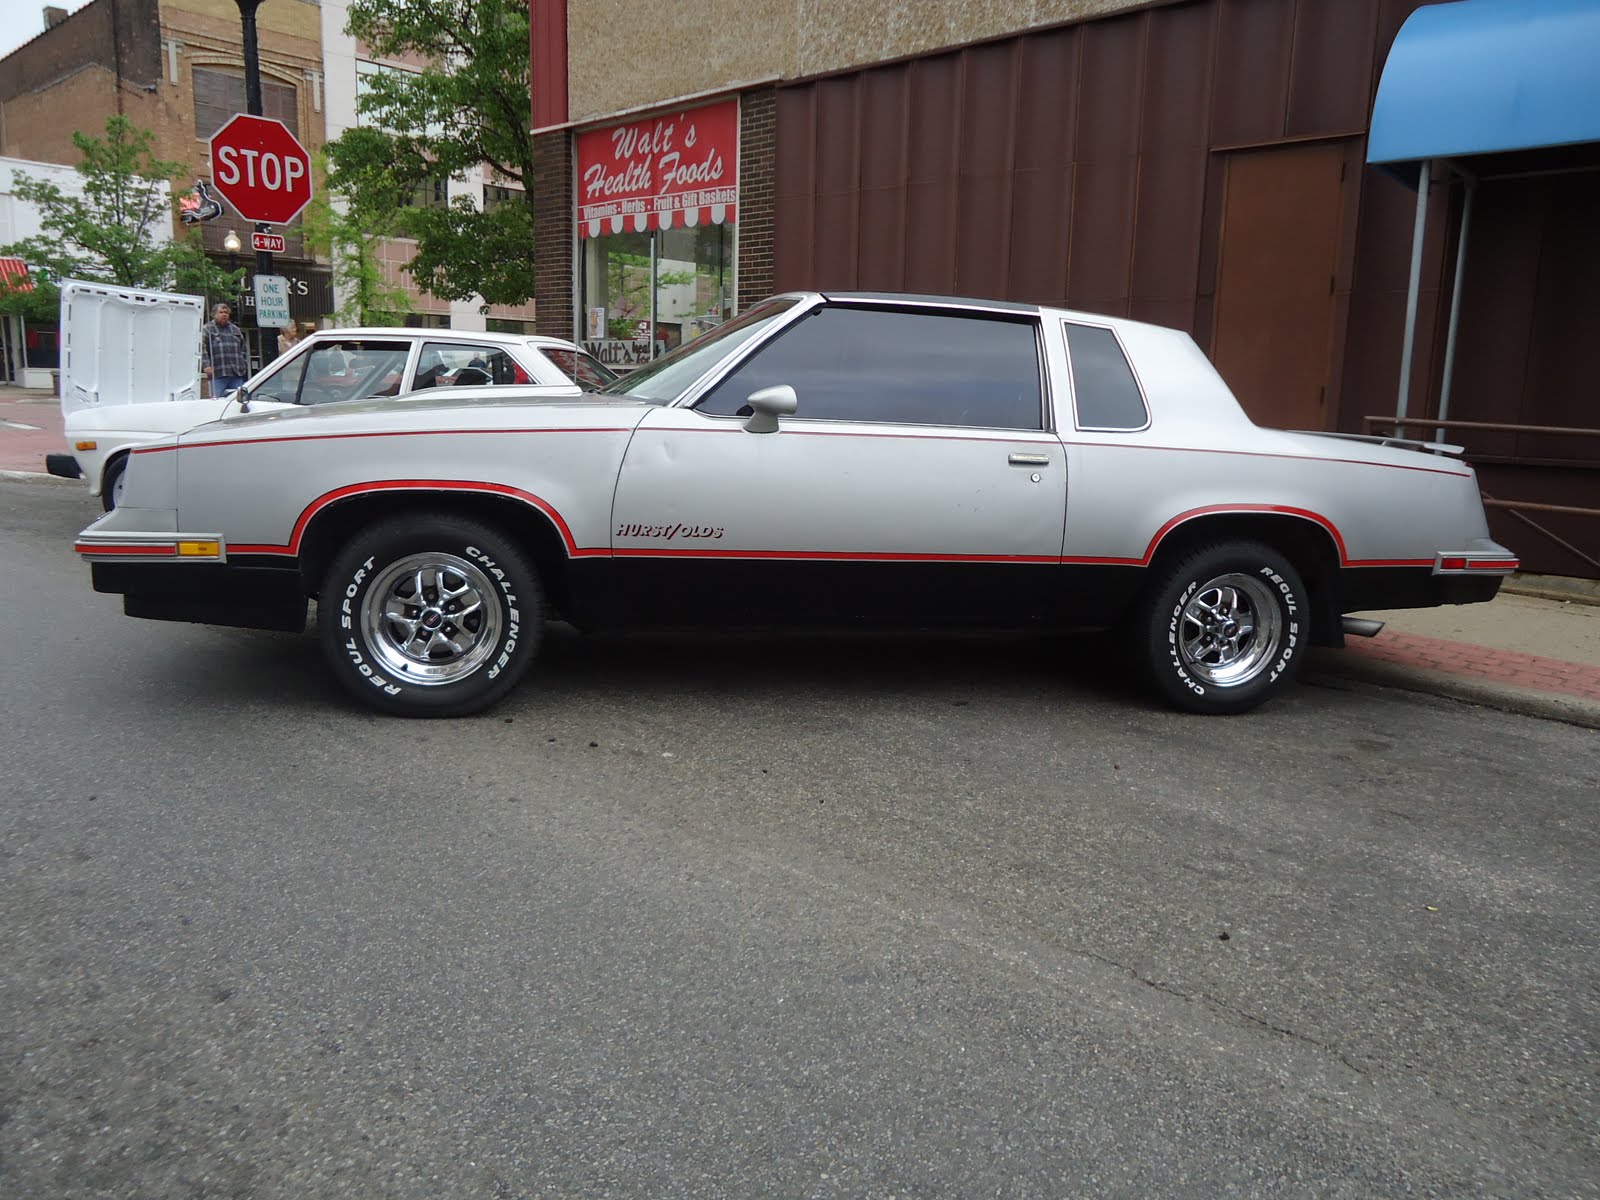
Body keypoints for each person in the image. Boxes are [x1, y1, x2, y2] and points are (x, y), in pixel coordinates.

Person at [200, 303, 249, 398]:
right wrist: (206, 366)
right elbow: (202, 348)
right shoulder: (207, 329)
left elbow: (243, 349)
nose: (224, 314)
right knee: (215, 402)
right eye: (221, 312)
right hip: (217, 373)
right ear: (214, 314)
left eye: (226, 312)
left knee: (238, 401)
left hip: (236, 374)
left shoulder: (235, 329)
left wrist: (244, 364)